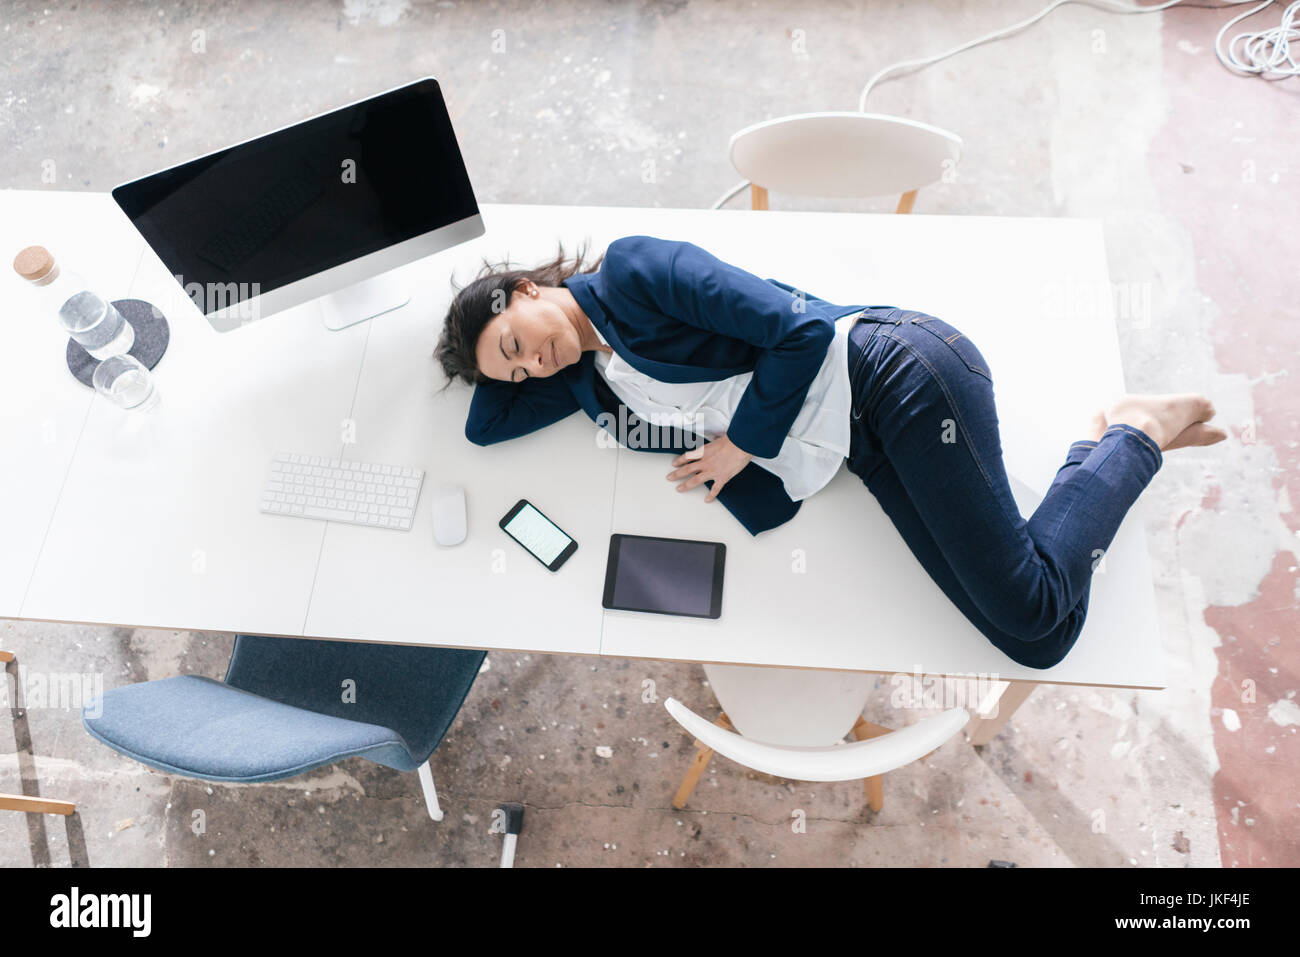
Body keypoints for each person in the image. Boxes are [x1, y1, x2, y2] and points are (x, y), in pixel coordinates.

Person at [434, 235, 1225, 668]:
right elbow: (484, 425)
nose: (529, 366)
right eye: (514, 368)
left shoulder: (637, 271)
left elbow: (802, 325)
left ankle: (1134, 431)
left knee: (1031, 606)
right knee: (1041, 637)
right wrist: (493, 352)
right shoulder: (590, 377)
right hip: (855, 438)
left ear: (527, 287)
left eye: (515, 340)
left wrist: (743, 445)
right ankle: (1101, 450)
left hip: (895, 375)